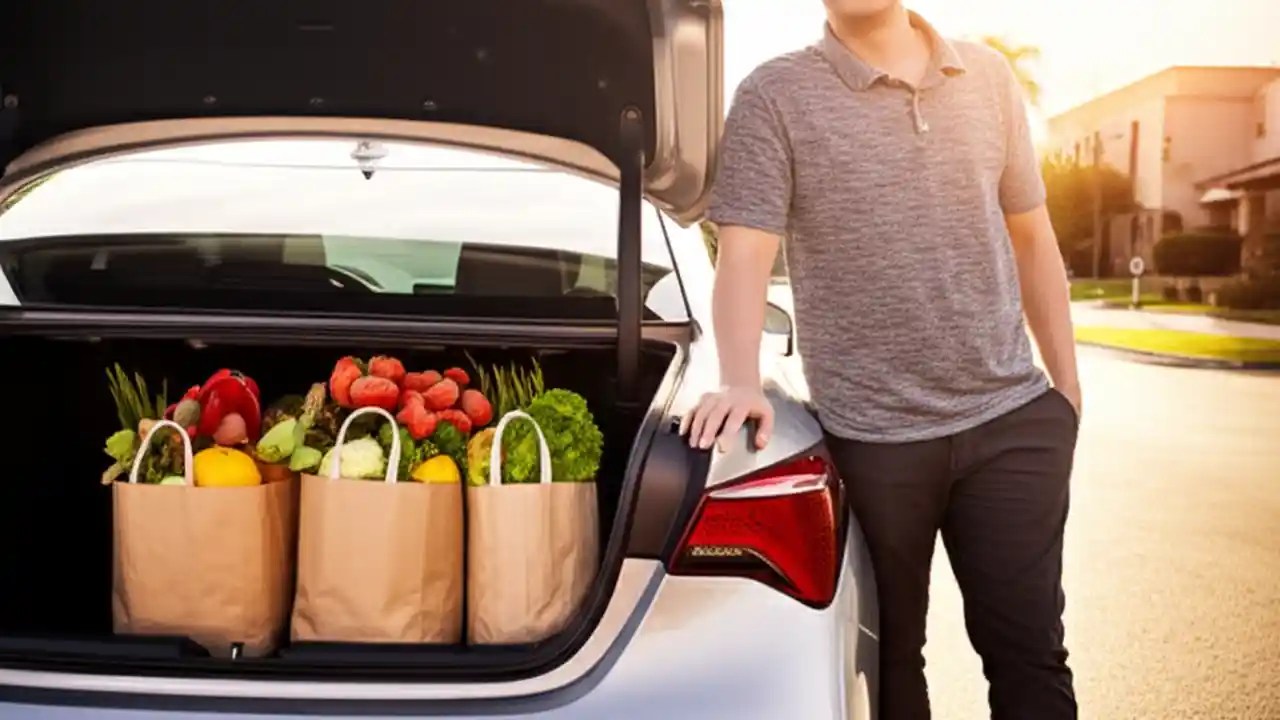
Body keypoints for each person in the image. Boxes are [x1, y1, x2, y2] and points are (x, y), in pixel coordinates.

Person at [680, 1, 1081, 718]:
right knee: (889, 663)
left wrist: (1066, 396)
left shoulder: (987, 78)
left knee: (1030, 658)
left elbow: (1032, 238)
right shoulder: (774, 95)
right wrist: (740, 381)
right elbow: (742, 256)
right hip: (873, 442)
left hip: (1012, 423)